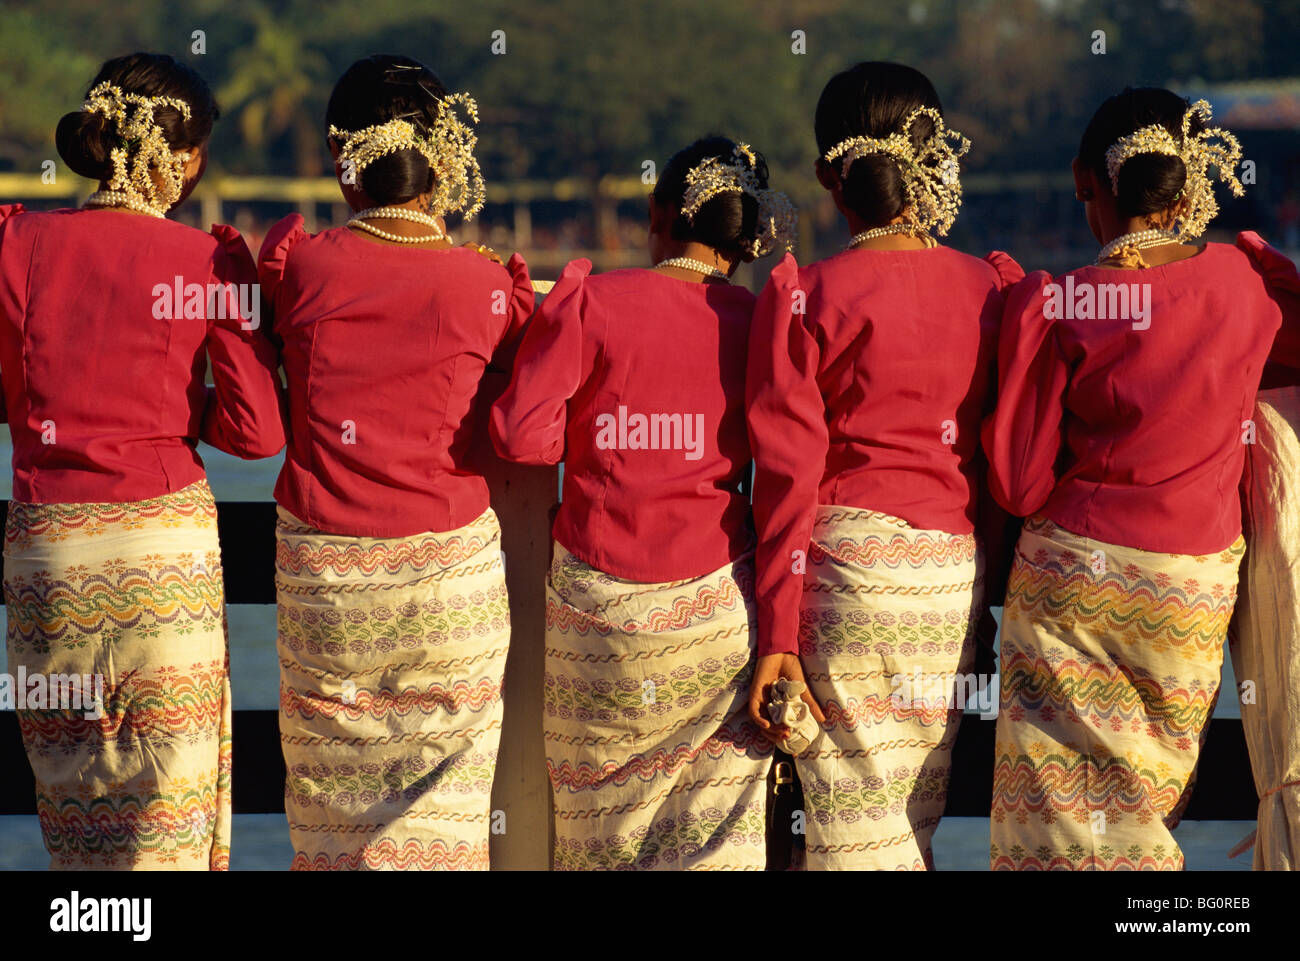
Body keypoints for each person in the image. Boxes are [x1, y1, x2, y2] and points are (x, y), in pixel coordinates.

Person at [983, 88, 1300, 870]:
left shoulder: (1066, 305)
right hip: (1190, 593)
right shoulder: (1245, 287)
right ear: (1189, 190)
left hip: (1072, 586)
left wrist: (1019, 304)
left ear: (1086, 183)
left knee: (1058, 828)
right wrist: (1268, 263)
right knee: (1140, 810)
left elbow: (1020, 485)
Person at [0, 52, 285, 870]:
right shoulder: (203, 264)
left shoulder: (16, 240)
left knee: (74, 804)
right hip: (159, 559)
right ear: (186, 158)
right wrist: (168, 412)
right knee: (168, 811)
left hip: (45, 552)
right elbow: (256, 429)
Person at [745, 61, 1022, 870]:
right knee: (912, 819)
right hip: (948, 581)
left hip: (847, 577)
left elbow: (787, 478)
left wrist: (776, 633)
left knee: (848, 826)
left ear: (831, 177)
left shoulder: (805, 294)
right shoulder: (992, 290)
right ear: (936, 163)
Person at [490, 136, 795, 870]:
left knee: (600, 840)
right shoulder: (761, 322)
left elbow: (520, 438)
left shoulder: (595, 300)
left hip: (599, 620)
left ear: (659, 215)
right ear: (744, 239)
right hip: (714, 614)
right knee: (713, 843)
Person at [259, 55, 532, 871]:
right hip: (449, 584)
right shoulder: (482, 287)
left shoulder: (302, 269)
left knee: (329, 813)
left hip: (328, 580)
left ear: (345, 164)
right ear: (442, 165)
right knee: (444, 822)